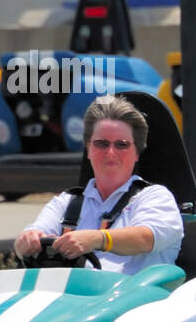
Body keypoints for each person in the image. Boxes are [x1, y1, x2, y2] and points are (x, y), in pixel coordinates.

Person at [14, 95, 183, 274]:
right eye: (102, 144)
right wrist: (25, 242)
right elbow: (29, 237)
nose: (111, 152)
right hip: (76, 297)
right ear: (88, 149)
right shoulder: (67, 202)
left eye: (121, 145)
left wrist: (98, 239)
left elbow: (147, 238)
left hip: (136, 298)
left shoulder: (155, 197)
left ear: (137, 153)